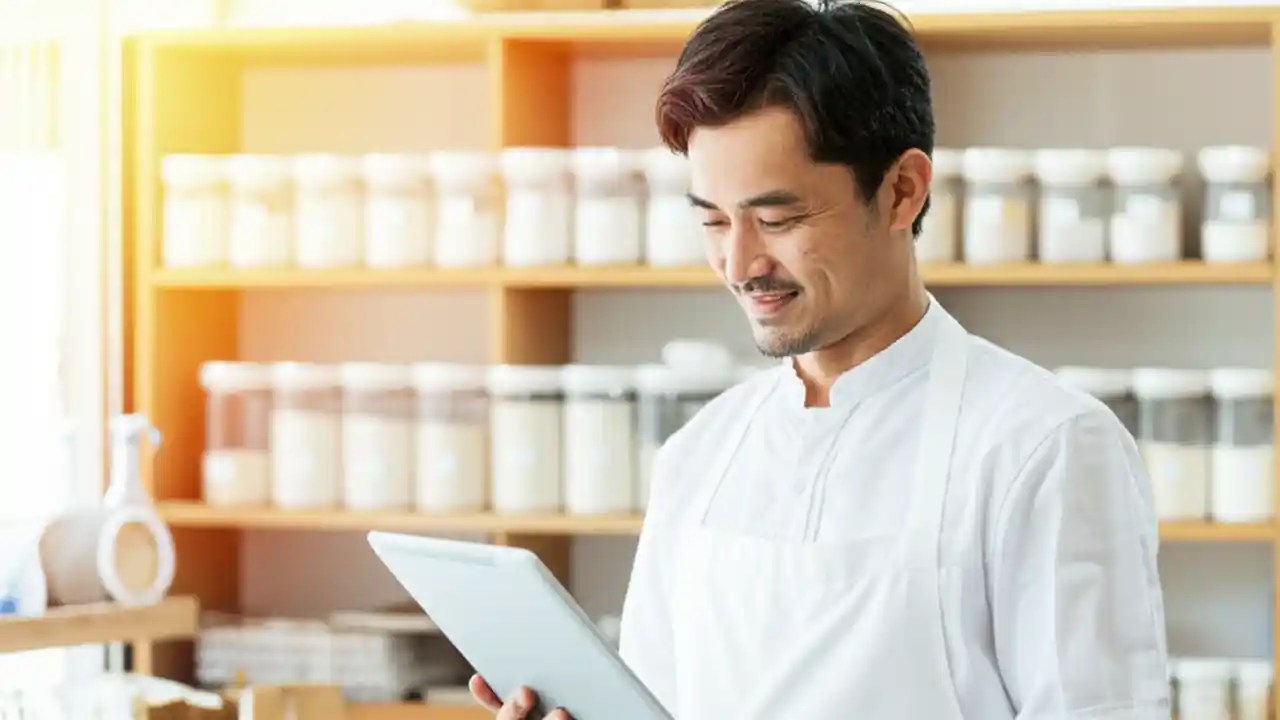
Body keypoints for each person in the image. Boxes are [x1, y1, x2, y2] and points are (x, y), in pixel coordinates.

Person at [471, 0, 1170, 717]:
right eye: (712, 219)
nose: (739, 263)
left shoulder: (1043, 446)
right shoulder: (700, 455)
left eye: (777, 220)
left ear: (902, 191)